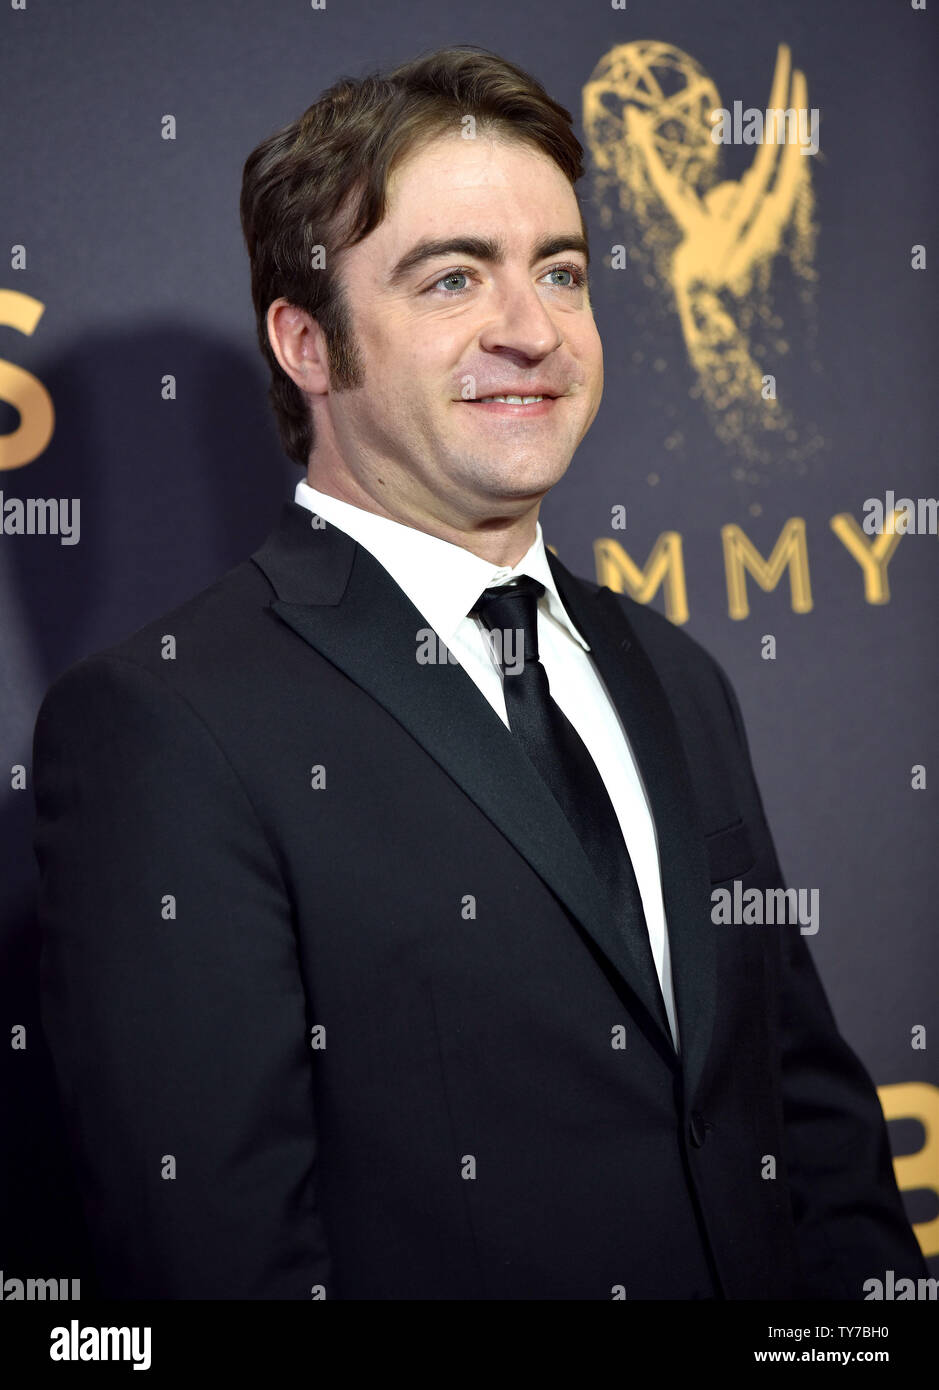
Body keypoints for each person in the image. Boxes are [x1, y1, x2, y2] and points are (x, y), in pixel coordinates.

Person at [33, 45, 925, 1300]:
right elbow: (216, 1254)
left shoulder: (674, 671)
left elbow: (810, 1123)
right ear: (307, 342)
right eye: (453, 278)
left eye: (560, 270)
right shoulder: (165, 721)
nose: (531, 327)